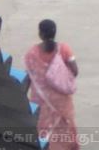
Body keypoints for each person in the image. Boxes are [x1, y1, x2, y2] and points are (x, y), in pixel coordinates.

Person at [24, 20, 79, 150]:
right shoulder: (64, 49)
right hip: (62, 102)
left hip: (41, 102)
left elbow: (29, 78)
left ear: (40, 34)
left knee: (43, 131)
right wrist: (59, 77)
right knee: (64, 130)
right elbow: (75, 71)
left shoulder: (32, 53)